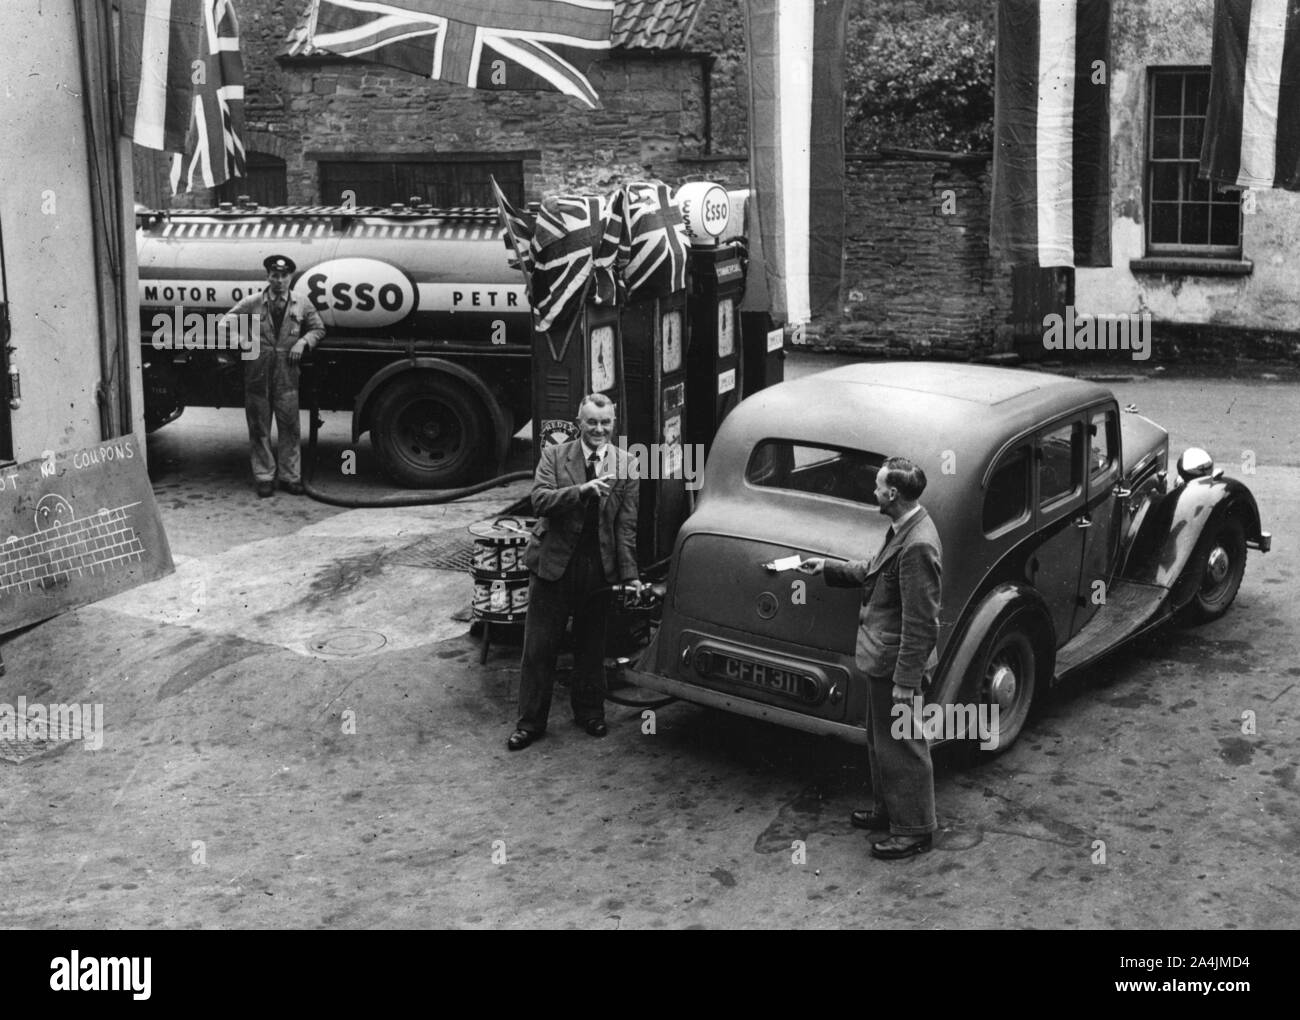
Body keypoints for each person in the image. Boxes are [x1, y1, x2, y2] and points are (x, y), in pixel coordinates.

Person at [799, 456, 942, 860]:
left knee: (903, 745)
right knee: (882, 743)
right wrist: (829, 568)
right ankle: (889, 812)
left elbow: (922, 622)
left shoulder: (917, 544)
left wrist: (905, 682)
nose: (873, 491)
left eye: (878, 486)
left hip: (896, 666)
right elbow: (877, 571)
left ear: (892, 494)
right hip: (883, 661)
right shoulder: (905, 527)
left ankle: (913, 830)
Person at [507, 394, 642, 750]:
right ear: (579, 423)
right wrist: (580, 491)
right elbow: (539, 502)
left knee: (591, 646)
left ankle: (590, 713)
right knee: (540, 648)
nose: (599, 429)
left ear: (614, 423)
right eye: (592, 422)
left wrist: (630, 577)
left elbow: (625, 527)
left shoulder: (627, 464)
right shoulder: (554, 455)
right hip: (553, 564)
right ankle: (530, 723)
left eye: (606, 423)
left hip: (598, 568)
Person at [223, 254, 325, 497]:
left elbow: (319, 328)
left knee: (289, 425)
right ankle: (264, 476)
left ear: (291, 277)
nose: (279, 280)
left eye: (284, 276)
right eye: (275, 275)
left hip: (287, 372)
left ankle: (291, 477)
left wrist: (303, 342)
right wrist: (243, 341)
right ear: (268, 276)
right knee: (259, 425)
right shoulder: (254, 302)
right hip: (257, 370)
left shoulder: (301, 303)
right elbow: (225, 323)